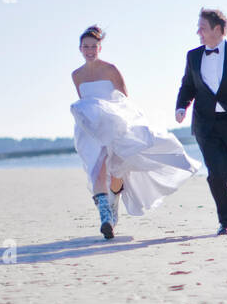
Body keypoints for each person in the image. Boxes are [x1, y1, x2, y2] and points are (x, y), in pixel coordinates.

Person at [71, 25, 199, 238]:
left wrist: (133, 127)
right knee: (98, 169)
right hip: (92, 132)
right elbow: (85, 103)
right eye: (86, 47)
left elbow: (124, 100)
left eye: (94, 46)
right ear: (80, 49)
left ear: (100, 48)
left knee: (117, 171)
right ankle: (106, 219)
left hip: (117, 127)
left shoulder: (111, 69)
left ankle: (113, 202)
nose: (90, 50)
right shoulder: (76, 75)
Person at [175, 8, 227, 234]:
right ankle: (226, 218)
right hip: (205, 123)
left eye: (202, 28)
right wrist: (182, 105)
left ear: (218, 29)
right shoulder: (193, 56)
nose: (198, 33)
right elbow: (188, 85)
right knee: (215, 173)